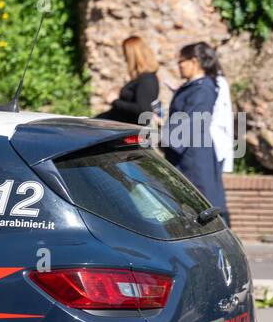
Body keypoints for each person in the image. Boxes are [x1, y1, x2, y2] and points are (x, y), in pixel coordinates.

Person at [163, 41, 228, 224]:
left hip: (193, 159)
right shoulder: (194, 86)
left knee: (202, 212)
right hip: (186, 153)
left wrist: (163, 138)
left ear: (194, 61)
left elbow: (193, 122)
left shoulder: (203, 88)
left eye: (181, 61)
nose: (179, 66)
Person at [97, 35, 161, 125]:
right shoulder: (141, 79)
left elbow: (143, 110)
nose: (125, 59)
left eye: (126, 55)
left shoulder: (147, 79)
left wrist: (115, 101)